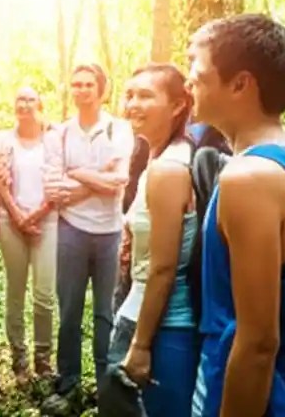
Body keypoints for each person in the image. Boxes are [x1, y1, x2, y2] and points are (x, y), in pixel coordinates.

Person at [186, 14, 285, 417]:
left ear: (241, 84)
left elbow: (258, 344)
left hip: (277, 398)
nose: (188, 82)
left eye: (197, 73)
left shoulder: (249, 179)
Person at [100, 64, 199, 416]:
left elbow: (164, 268)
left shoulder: (169, 168)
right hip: (143, 315)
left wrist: (141, 345)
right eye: (129, 95)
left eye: (145, 96)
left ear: (178, 105)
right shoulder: (156, 158)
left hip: (164, 328)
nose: (132, 104)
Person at [42, 63, 135, 415]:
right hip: (71, 231)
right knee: (69, 312)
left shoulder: (118, 129)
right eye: (76, 84)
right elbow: (54, 189)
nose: (81, 90)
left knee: (105, 314)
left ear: (102, 90)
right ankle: (69, 385)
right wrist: (98, 178)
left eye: (88, 84)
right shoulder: (60, 134)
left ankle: (105, 387)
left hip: (109, 233)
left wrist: (76, 173)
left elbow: (120, 181)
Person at [0, 86, 56, 380]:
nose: (25, 104)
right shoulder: (3, 140)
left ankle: (43, 361)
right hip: (10, 223)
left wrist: (36, 215)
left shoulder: (53, 140)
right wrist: (19, 217)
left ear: (39, 104)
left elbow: (58, 181)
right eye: (20, 99)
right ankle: (19, 361)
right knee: (15, 292)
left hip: (47, 222)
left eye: (31, 99)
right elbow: (0, 184)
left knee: (44, 295)